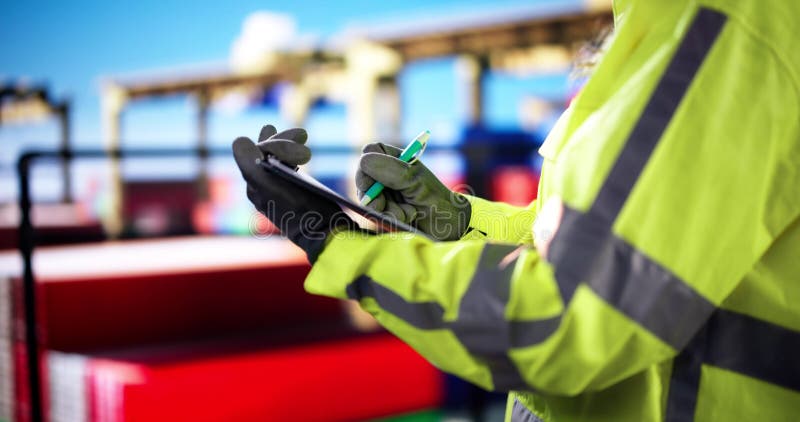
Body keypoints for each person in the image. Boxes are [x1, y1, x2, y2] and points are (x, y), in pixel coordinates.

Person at [232, 0, 800, 420]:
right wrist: (456, 221)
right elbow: (595, 239)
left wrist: (343, 247)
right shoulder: (661, 28)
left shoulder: (729, 28)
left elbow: (571, 314)